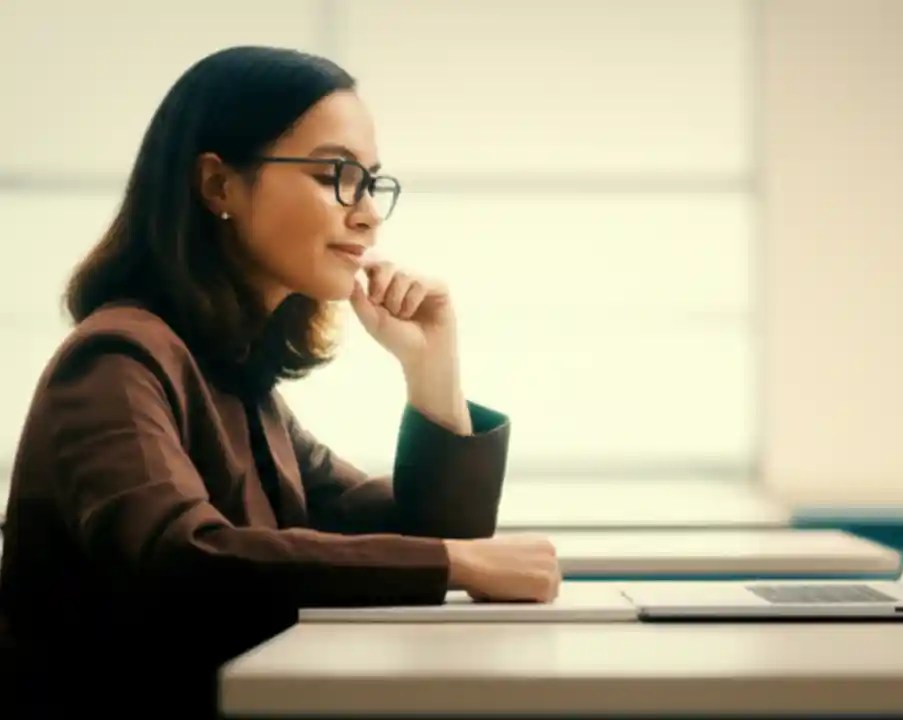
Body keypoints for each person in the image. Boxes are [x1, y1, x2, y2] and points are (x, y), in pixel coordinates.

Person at [0, 45, 561, 717]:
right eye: (335, 174)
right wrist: (455, 564)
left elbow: (428, 531)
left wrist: (429, 368)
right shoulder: (117, 358)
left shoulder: (238, 381)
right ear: (218, 187)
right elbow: (182, 561)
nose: (368, 213)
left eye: (370, 181)